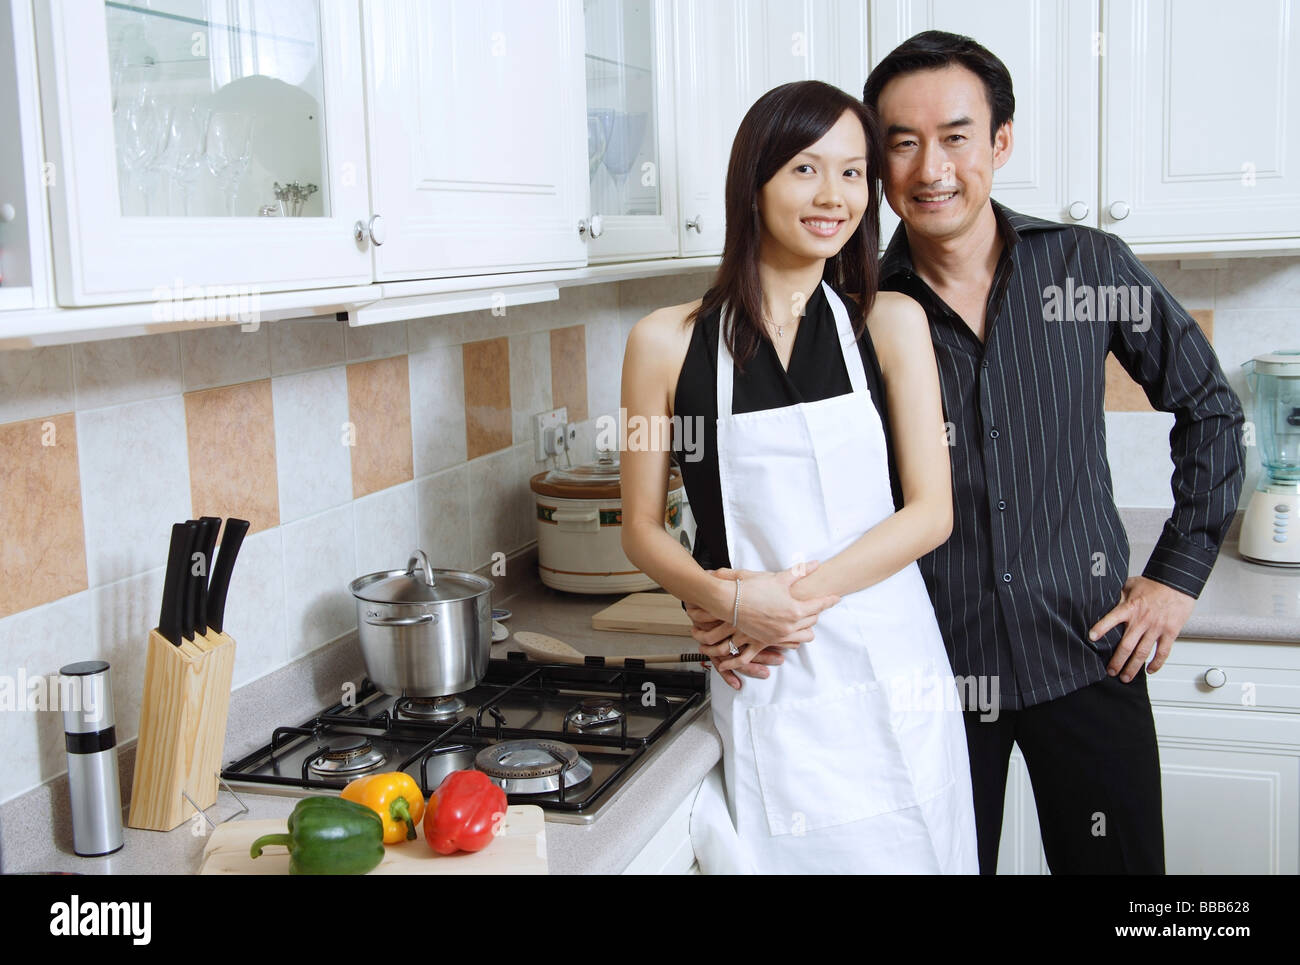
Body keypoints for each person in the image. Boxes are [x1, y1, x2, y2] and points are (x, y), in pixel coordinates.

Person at [690, 31, 1246, 875]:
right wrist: (721, 594)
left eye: (955, 136)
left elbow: (1209, 406)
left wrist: (1177, 574)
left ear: (1000, 142)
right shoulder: (852, 312)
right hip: (930, 679)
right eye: (901, 144)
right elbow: (770, 474)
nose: (931, 168)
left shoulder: (1084, 266)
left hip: (1087, 654)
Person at [619, 79, 979, 874]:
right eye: (807, 170)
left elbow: (930, 512)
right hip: (764, 679)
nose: (835, 196)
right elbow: (639, 526)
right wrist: (727, 598)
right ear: (755, 184)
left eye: (854, 173)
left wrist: (778, 603)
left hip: (886, 659)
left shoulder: (890, 324)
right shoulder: (662, 343)